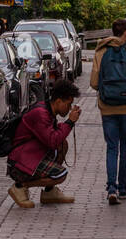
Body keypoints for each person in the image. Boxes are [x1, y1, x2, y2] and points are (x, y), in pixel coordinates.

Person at [90, 19, 126, 205]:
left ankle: (111, 188)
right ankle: (123, 188)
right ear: (125, 33)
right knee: (125, 146)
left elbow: (93, 83)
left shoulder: (100, 52)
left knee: (112, 147)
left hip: (107, 107)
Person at [6, 77, 81, 208]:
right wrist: (69, 122)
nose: (69, 109)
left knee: (63, 145)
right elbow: (52, 141)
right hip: (19, 163)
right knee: (61, 174)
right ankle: (20, 186)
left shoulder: (47, 110)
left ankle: (49, 192)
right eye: (68, 104)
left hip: (31, 155)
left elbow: (55, 137)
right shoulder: (41, 114)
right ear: (58, 101)